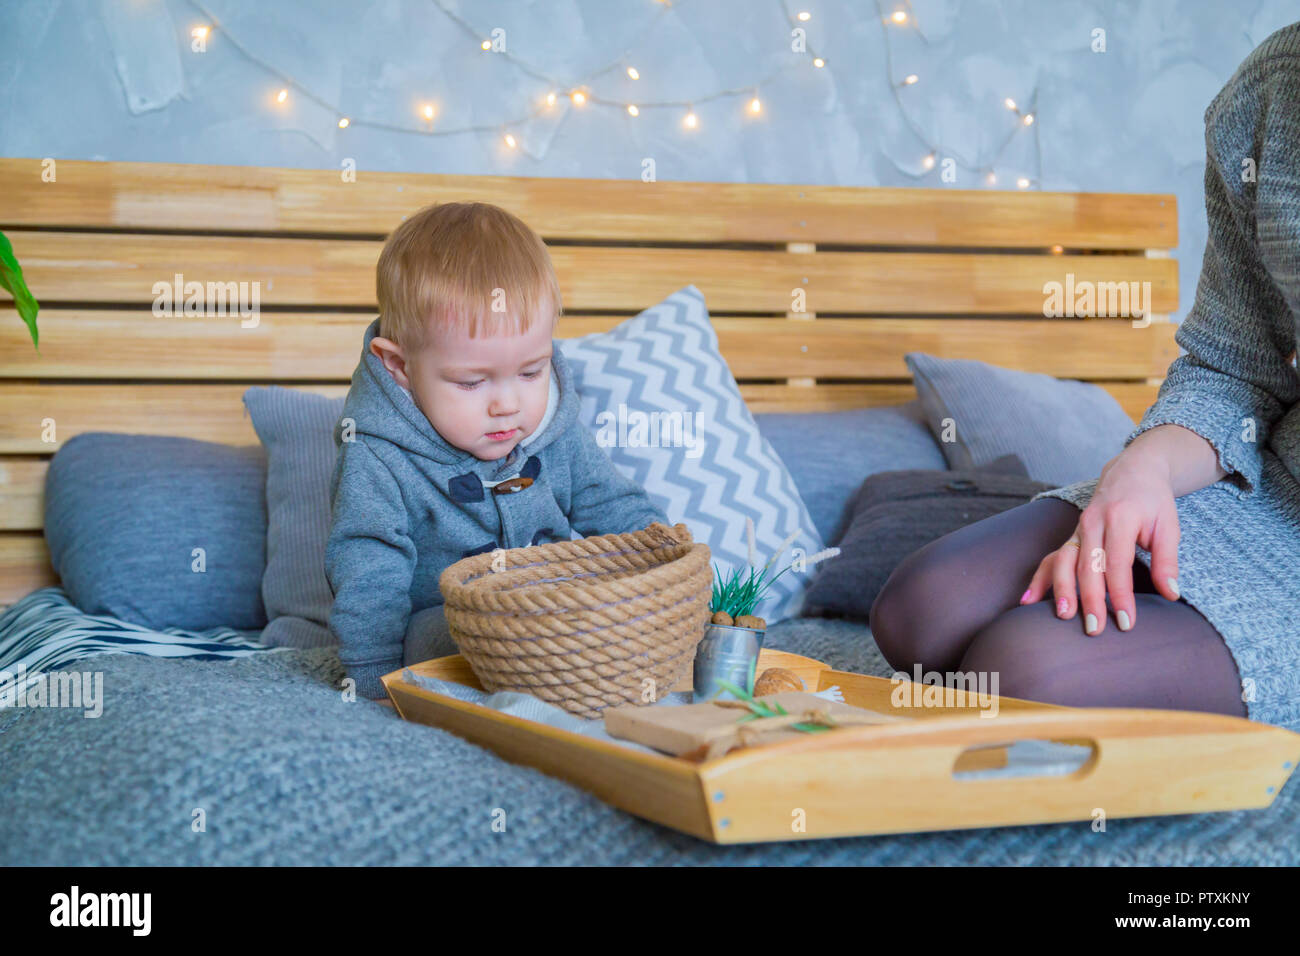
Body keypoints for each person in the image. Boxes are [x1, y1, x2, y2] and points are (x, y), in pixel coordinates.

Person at [870, 21, 1300, 729]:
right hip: (1276, 489)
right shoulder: (1273, 88)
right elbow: (1234, 366)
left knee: (1018, 674)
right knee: (920, 610)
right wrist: (1140, 474)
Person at [325, 201, 668, 700]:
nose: (508, 405)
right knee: (436, 638)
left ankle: (580, 678)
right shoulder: (376, 456)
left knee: (602, 611)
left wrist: (667, 559)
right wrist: (374, 674)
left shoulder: (556, 429)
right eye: (471, 382)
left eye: (531, 372)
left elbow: (611, 502)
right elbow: (368, 569)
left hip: (557, 608)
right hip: (448, 624)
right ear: (399, 367)